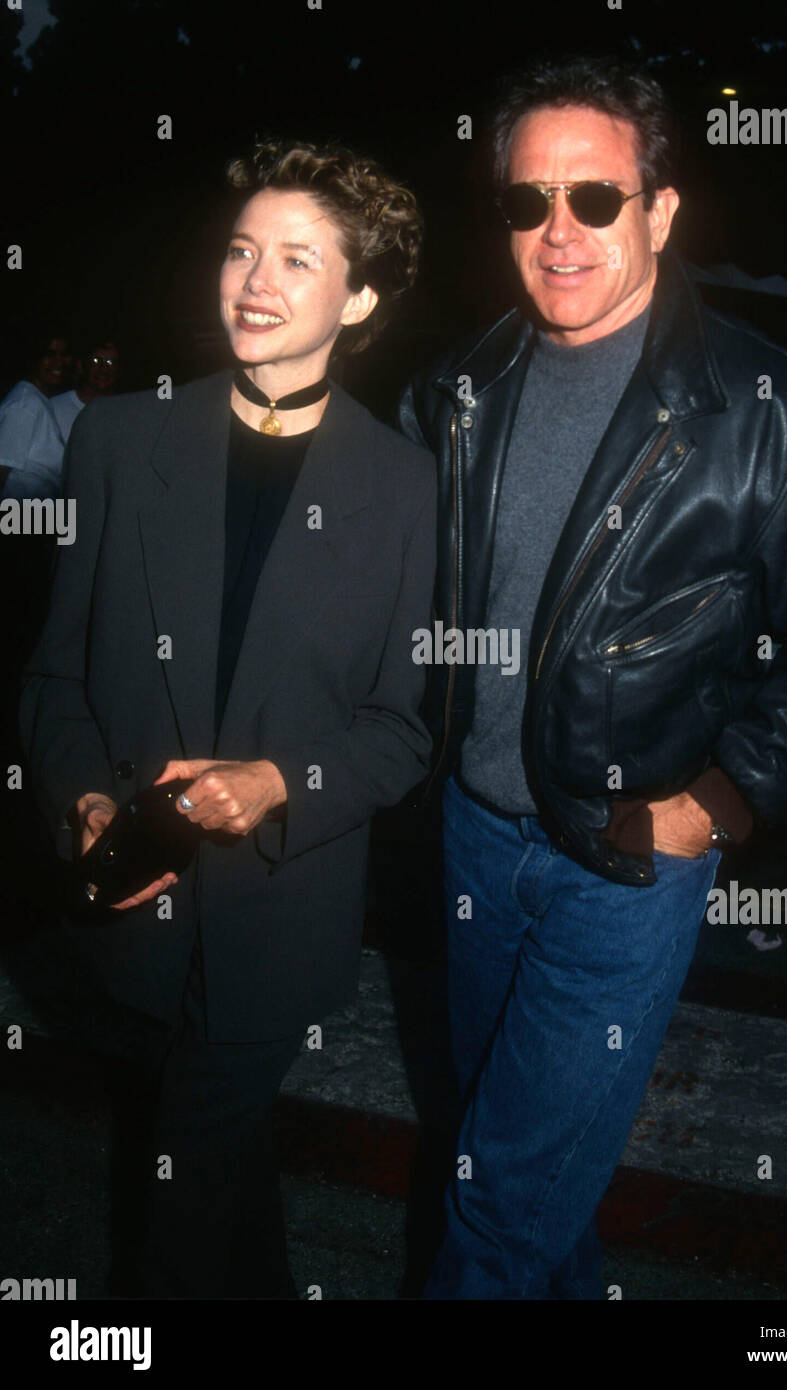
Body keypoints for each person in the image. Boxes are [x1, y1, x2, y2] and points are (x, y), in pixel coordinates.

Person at [398, 55, 787, 1299]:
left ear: (660, 212)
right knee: (526, 1180)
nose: (558, 231)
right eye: (528, 203)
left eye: (595, 198)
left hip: (621, 868)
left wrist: (716, 801)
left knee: (497, 1205)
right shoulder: (455, 395)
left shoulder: (764, 408)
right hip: (471, 840)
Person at [20, 139, 435, 1298]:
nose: (254, 280)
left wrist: (276, 784)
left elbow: (402, 726)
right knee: (214, 1168)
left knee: (173, 1203)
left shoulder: (407, 490)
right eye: (243, 249)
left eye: (297, 260)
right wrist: (86, 797)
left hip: (279, 917)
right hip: (133, 905)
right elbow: (55, 676)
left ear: (356, 298)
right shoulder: (118, 441)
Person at [0, 329, 72, 499]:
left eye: (64, 355)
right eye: (50, 355)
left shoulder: (39, 401)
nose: (58, 362)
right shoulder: (24, 404)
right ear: (34, 359)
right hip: (23, 518)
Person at [52, 339, 121, 443]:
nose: (103, 368)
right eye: (96, 361)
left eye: (110, 362)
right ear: (81, 366)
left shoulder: (125, 412)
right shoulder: (54, 408)